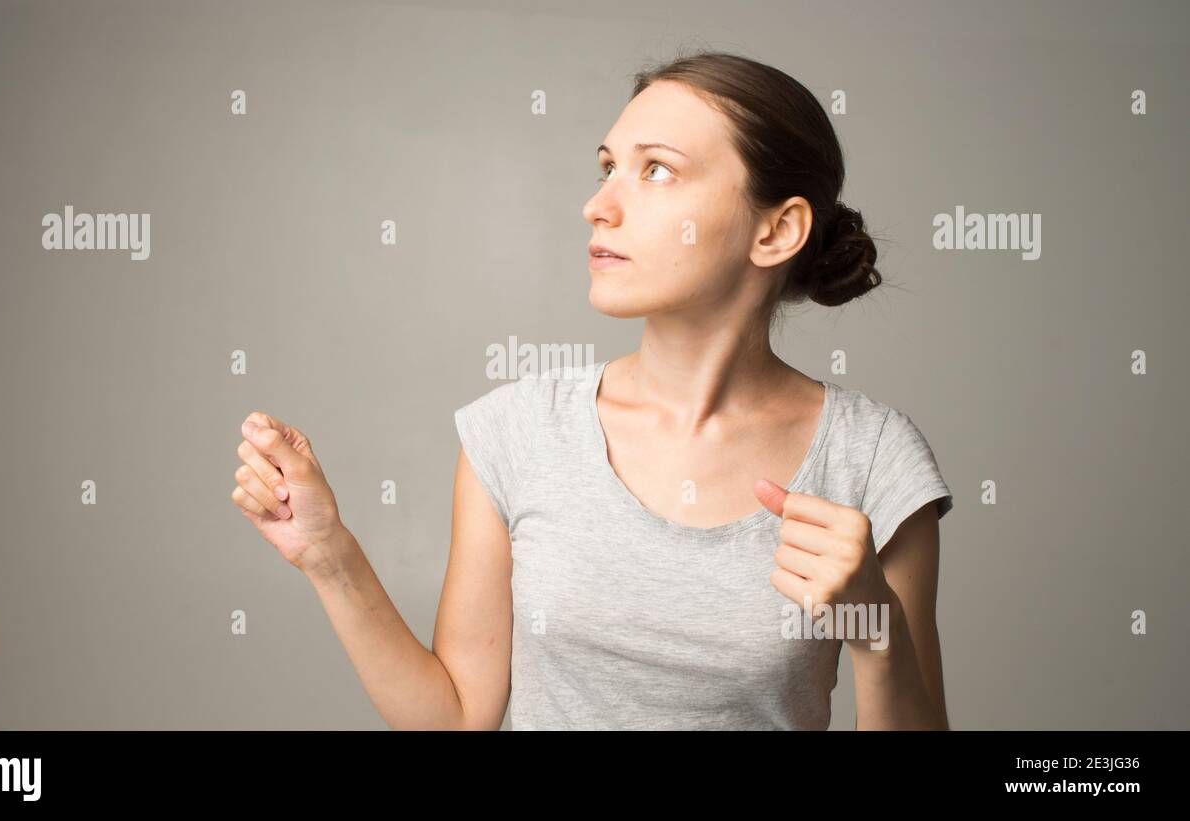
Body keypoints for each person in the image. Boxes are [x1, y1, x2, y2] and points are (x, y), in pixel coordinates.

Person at [230, 51, 954, 730]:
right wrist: (330, 555)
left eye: (658, 172)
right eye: (608, 166)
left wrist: (875, 629)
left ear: (776, 230)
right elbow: (456, 716)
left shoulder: (873, 458)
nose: (598, 205)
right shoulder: (515, 429)